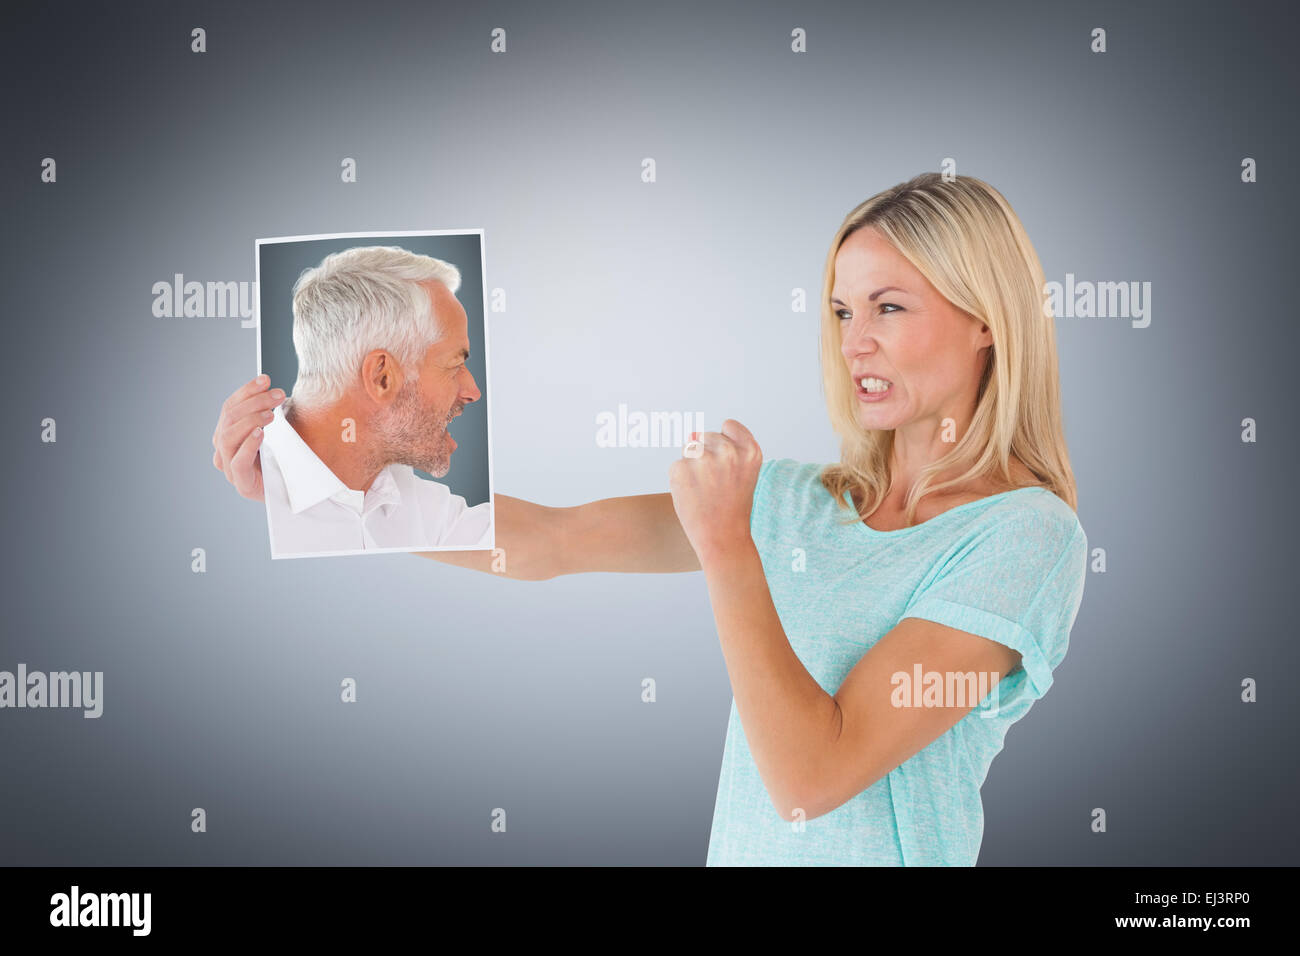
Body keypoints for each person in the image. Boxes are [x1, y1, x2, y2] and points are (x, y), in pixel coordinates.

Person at [213, 173, 1088, 864]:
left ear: (985, 321)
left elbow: (811, 776)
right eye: (841, 310)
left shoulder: (1023, 537)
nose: (853, 339)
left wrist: (727, 546)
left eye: (890, 307)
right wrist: (321, 492)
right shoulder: (788, 500)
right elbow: (555, 540)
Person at [255, 246, 491, 557]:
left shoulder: (420, 507)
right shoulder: (247, 501)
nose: (473, 390)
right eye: (454, 365)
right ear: (382, 377)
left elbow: (546, 540)